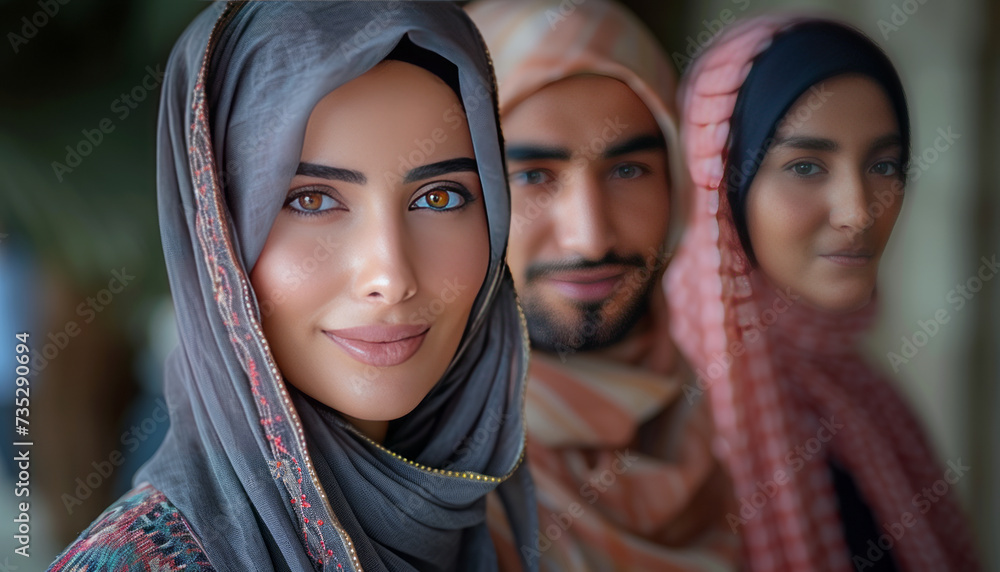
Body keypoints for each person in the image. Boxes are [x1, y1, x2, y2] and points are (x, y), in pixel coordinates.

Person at [48, 2, 536, 570]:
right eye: (311, 200)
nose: (390, 278)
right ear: (216, 236)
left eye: (439, 197)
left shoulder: (511, 514)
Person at [667, 14, 981, 571]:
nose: (859, 212)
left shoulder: (871, 400)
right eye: (806, 166)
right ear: (720, 185)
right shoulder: (665, 428)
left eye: (883, 165)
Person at [466, 1, 741, 570]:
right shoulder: (402, 481)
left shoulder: (728, 427)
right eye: (533, 175)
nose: (590, 239)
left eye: (627, 170)